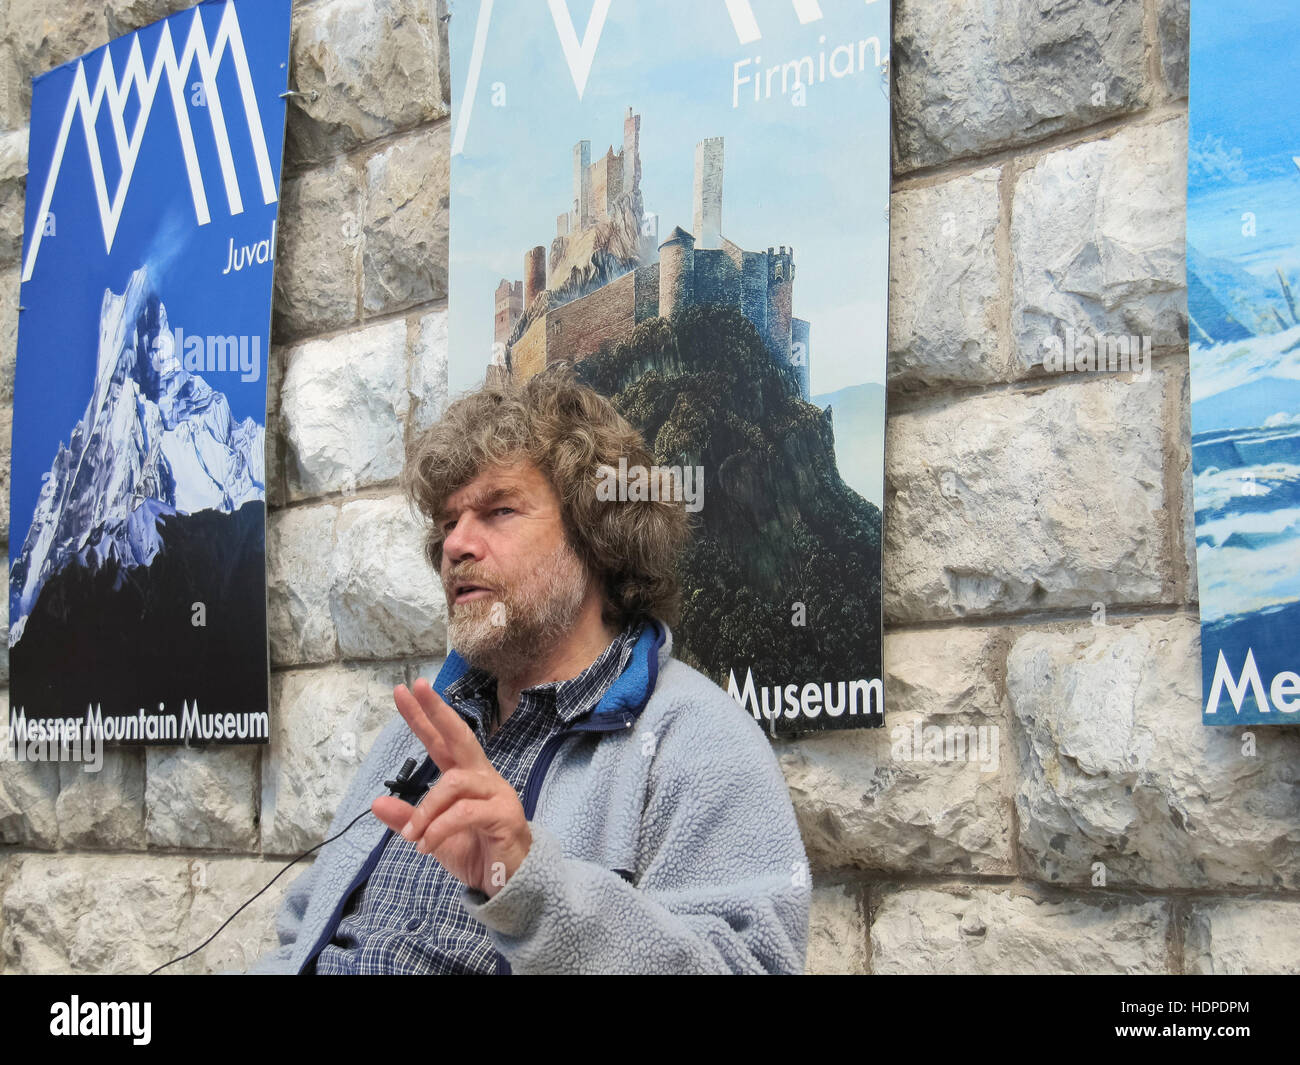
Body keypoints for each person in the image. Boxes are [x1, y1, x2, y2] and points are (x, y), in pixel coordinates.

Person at [250, 363, 810, 974]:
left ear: (598, 536)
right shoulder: (423, 733)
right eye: (447, 522)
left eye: (499, 511)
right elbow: (305, 930)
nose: (456, 545)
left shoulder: (698, 742)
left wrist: (528, 882)